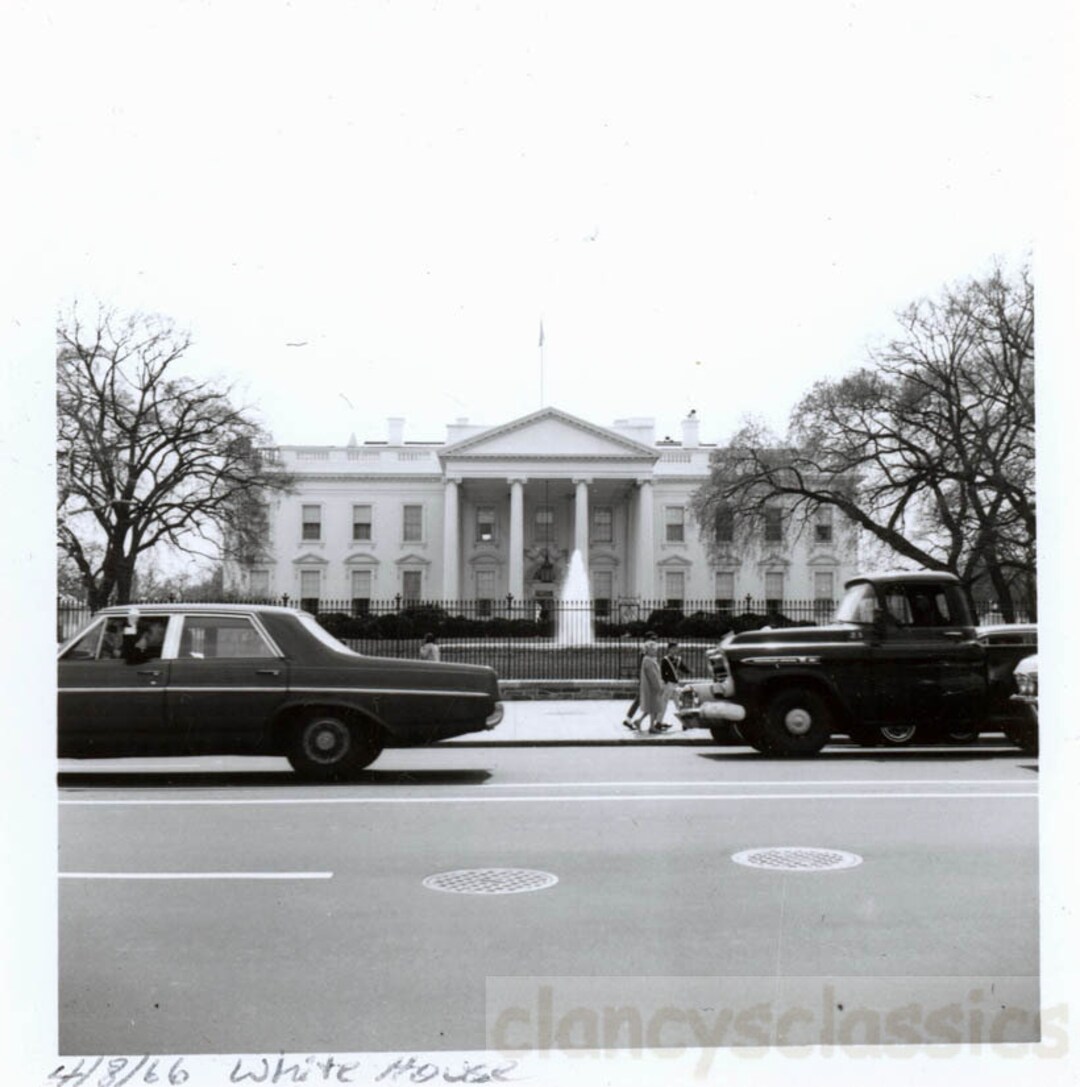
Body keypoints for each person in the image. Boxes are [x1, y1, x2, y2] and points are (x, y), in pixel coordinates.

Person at [622, 630, 657, 730]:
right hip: (646, 678)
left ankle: (634, 720)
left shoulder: (645, 650)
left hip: (645, 677)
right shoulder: (646, 651)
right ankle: (650, 723)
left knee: (640, 699)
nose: (655, 641)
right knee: (643, 699)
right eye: (653, 639)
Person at [658, 640, 692, 729]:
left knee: (679, 704)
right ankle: (658, 722)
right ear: (669, 649)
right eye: (673, 648)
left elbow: (683, 668)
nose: (675, 650)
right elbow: (662, 672)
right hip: (668, 684)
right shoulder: (665, 660)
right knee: (663, 703)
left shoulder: (678, 659)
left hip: (676, 685)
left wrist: (689, 671)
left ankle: (684, 723)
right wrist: (665, 681)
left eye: (676, 648)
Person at [636, 641, 667, 734]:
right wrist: (659, 687)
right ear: (648, 650)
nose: (655, 651)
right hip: (652, 688)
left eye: (655, 649)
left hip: (650, 687)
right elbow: (653, 676)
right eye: (653, 649)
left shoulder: (648, 659)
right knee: (655, 708)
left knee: (652, 708)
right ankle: (651, 727)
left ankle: (639, 721)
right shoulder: (649, 661)